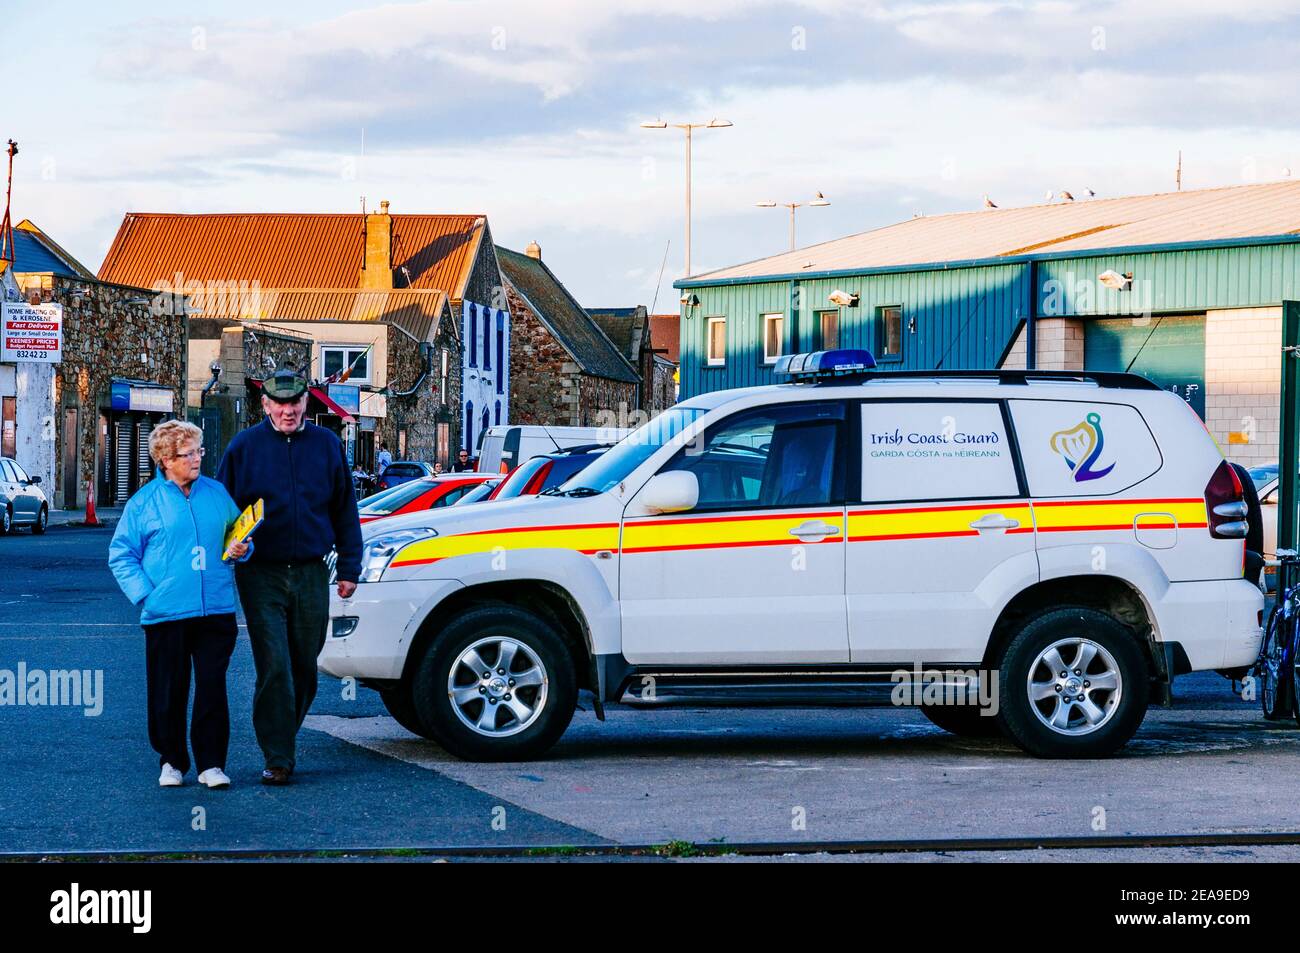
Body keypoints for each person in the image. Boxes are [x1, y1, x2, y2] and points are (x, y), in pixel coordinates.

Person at [217, 368, 362, 785]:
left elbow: (345, 510)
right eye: (279, 403)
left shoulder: (327, 445)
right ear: (265, 404)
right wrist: (231, 543)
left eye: (294, 402)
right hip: (260, 572)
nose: (287, 410)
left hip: (312, 571)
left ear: (306, 403)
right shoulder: (244, 447)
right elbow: (224, 509)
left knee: (303, 665)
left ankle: (283, 733)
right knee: (274, 664)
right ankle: (278, 755)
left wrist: (349, 567)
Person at [108, 420, 252, 789]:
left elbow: (239, 535)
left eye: (199, 451)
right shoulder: (144, 503)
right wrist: (146, 594)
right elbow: (121, 555)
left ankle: (211, 764)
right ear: (165, 459)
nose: (196, 459)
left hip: (215, 611)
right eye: (187, 454)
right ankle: (171, 760)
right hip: (165, 614)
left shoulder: (217, 493)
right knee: (168, 690)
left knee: (211, 688)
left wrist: (243, 548)